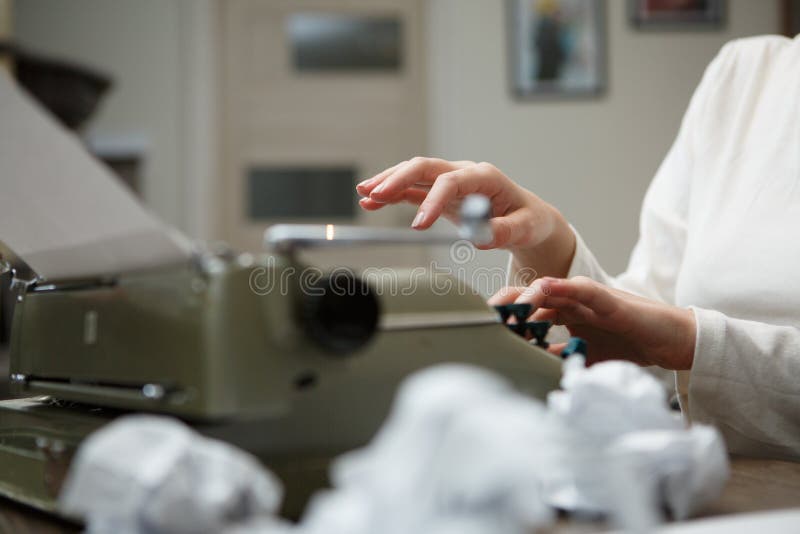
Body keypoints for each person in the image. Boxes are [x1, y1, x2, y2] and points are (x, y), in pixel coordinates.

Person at [355, 35, 800, 460]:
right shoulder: (743, 74)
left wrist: (694, 343)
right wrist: (549, 244)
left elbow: (682, 338)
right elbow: (657, 324)